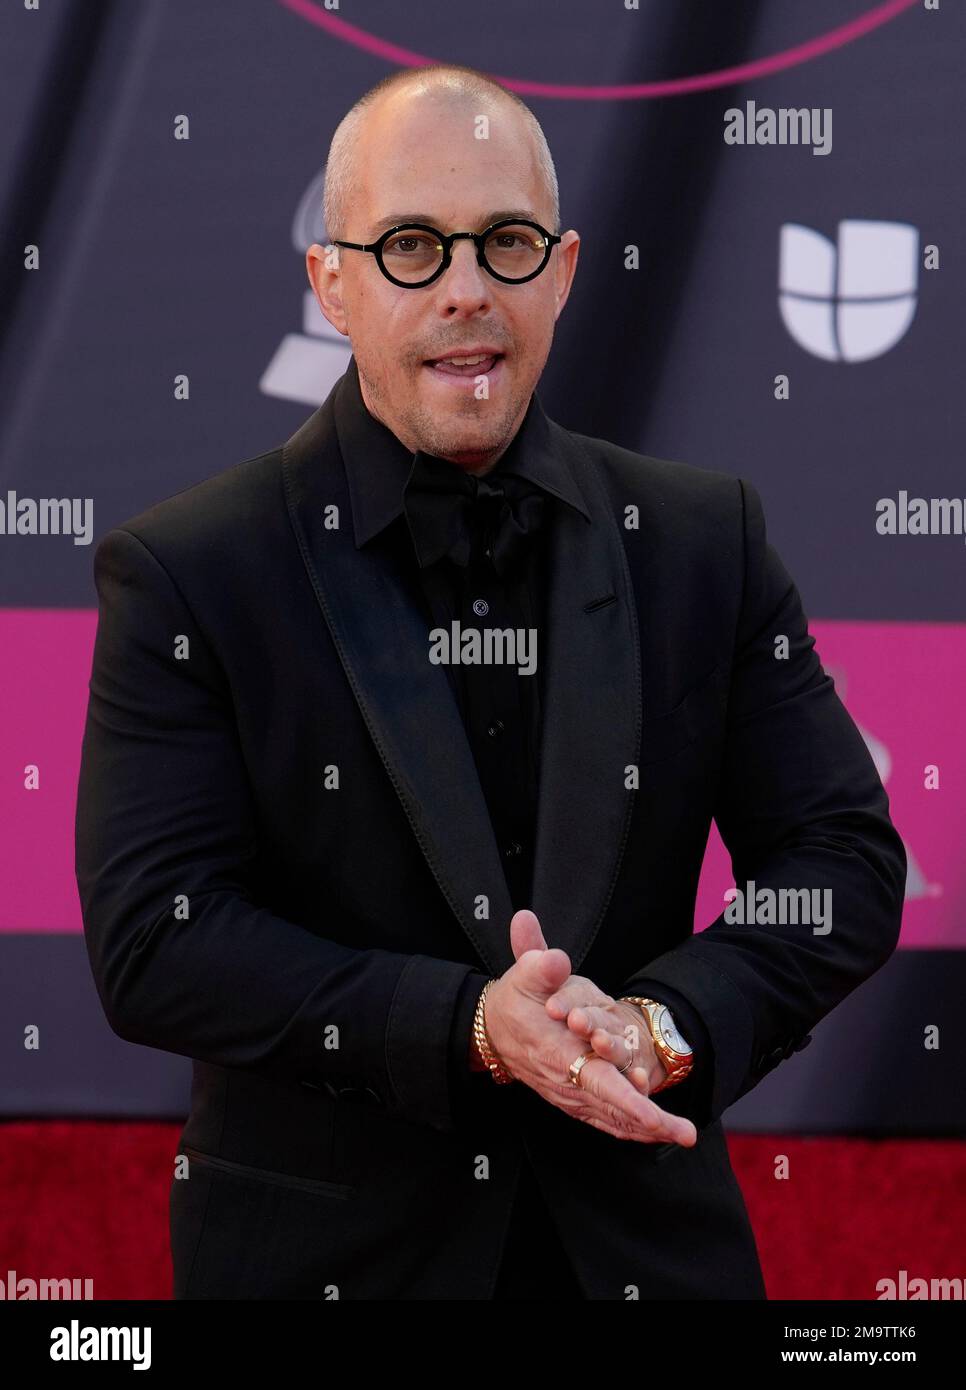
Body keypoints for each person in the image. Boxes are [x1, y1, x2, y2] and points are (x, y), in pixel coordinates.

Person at [74, 62, 906, 1301]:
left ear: (562, 273)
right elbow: (156, 940)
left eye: (506, 243)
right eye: (412, 245)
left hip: (645, 1264)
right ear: (331, 283)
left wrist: (658, 1027)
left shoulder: (699, 539)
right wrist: (465, 1024)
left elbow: (842, 856)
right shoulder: (191, 572)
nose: (467, 291)